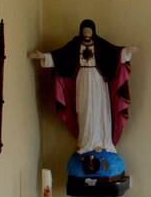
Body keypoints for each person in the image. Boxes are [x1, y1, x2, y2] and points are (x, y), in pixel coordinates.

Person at [31, 20, 135, 154]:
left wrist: (127, 51)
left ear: (93, 31)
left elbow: (114, 53)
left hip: (98, 79)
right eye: (85, 31)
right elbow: (60, 56)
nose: (87, 33)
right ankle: (85, 142)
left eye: (89, 31)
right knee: (84, 108)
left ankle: (101, 142)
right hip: (83, 80)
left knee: (99, 108)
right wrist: (44, 56)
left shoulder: (100, 44)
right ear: (81, 31)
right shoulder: (75, 45)